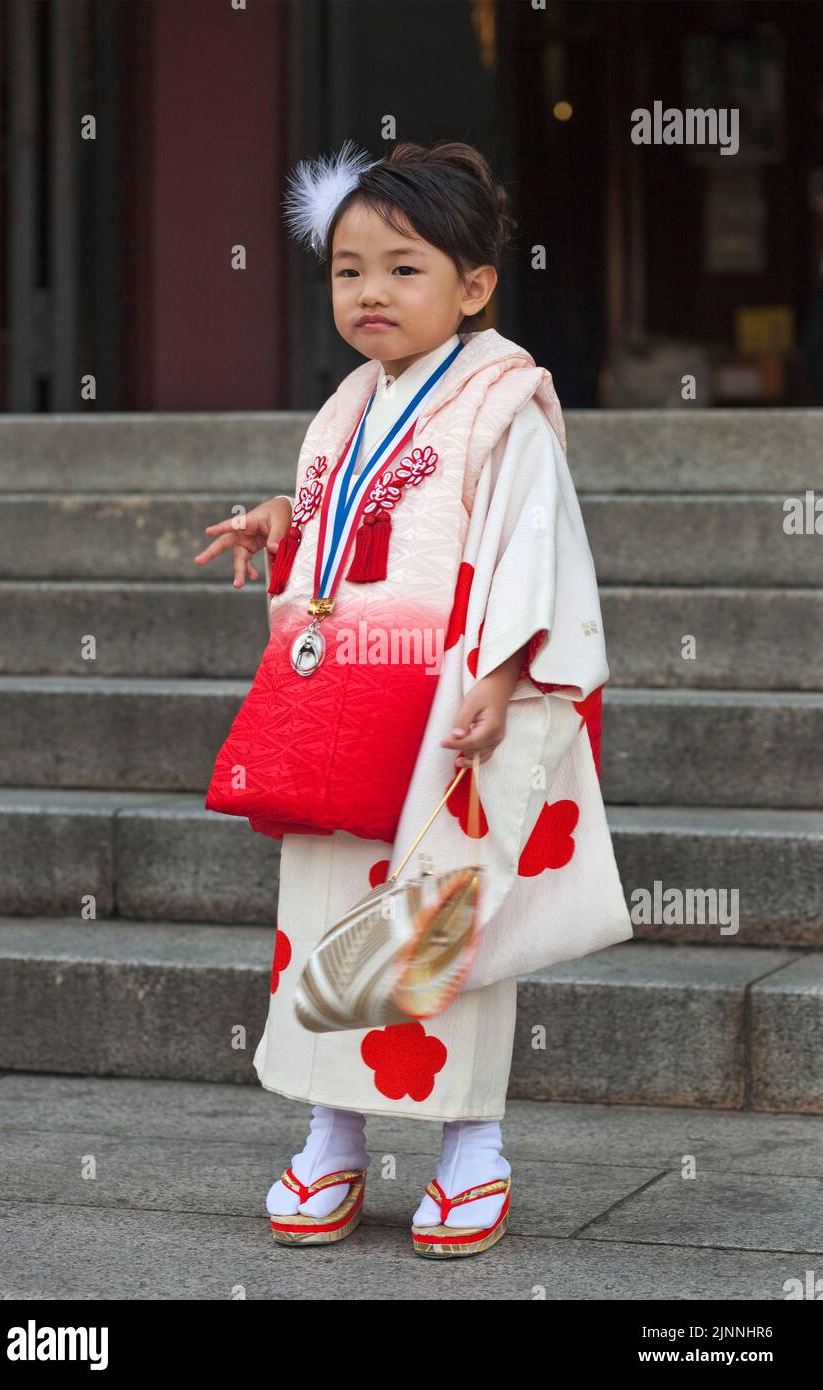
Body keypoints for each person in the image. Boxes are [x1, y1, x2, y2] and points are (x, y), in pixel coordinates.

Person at [195, 139, 633, 1258]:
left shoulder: (505, 403)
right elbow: (362, 518)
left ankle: (469, 1143)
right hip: (345, 699)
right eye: (347, 270)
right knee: (328, 912)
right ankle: (332, 1128)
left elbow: (527, 549)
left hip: (449, 705)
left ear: (473, 286)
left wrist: (494, 676)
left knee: (441, 917)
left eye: (400, 268)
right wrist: (280, 522)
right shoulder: (350, 402)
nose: (369, 292)